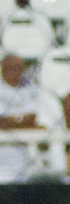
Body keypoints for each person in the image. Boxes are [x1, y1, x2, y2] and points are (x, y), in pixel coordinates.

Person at [0, 53, 44, 182]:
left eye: (18, 68)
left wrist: (11, 121)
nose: (14, 72)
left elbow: (31, 119)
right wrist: (21, 120)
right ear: (2, 68)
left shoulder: (29, 90)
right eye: (10, 68)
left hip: (23, 154)